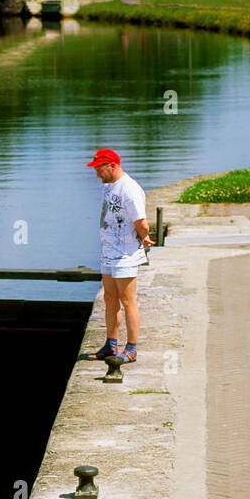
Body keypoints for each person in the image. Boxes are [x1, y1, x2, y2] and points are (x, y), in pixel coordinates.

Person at [87, 148, 152, 363]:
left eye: (99, 168)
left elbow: (141, 221)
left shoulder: (130, 189)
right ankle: (110, 345)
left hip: (125, 253)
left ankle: (131, 349)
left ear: (112, 165)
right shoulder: (109, 186)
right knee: (109, 298)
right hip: (108, 251)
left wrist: (144, 237)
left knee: (127, 300)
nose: (97, 173)